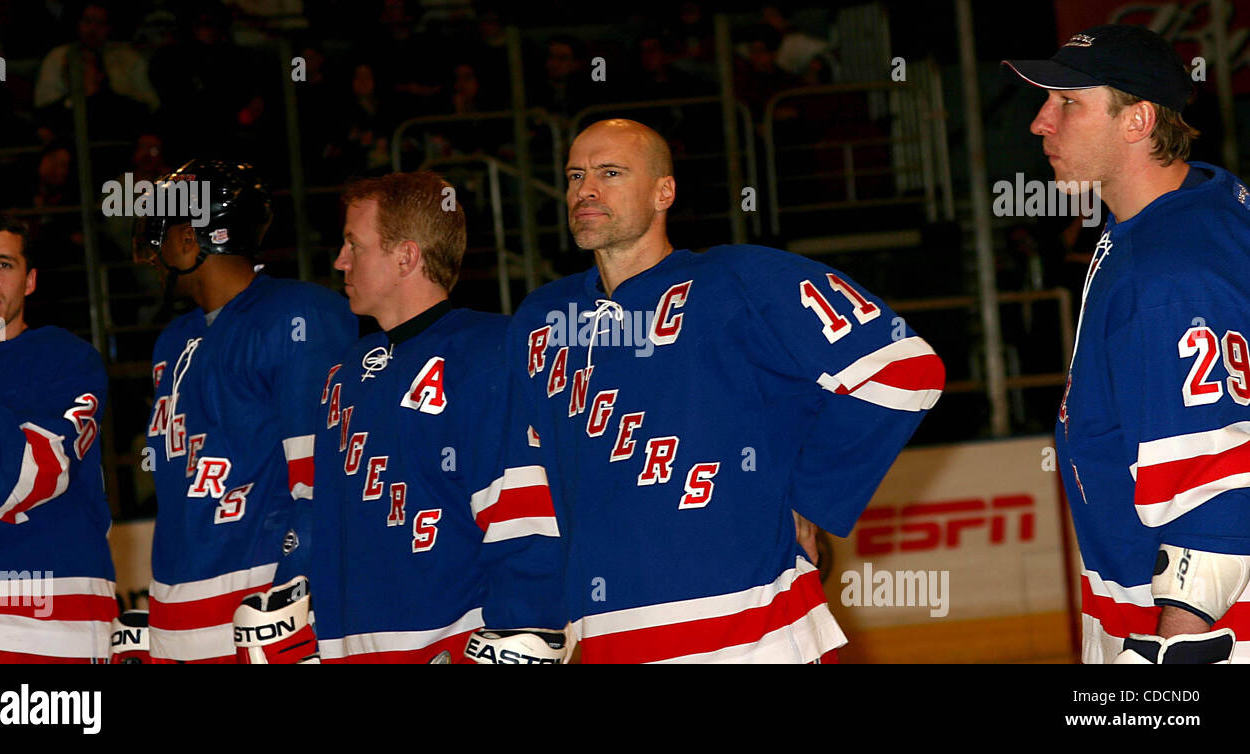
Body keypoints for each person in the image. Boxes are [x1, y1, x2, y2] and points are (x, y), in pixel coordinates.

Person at [501, 119, 944, 663]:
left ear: (664, 191)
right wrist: (525, 615)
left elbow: (905, 368)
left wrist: (806, 498)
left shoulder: (740, 280)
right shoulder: (542, 319)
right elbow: (529, 477)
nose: (585, 190)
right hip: (602, 637)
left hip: (756, 634)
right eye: (575, 175)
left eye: (610, 173)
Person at [1004, 24, 1250, 664]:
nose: (1040, 123)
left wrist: (1182, 632)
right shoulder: (1204, 203)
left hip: (1197, 621)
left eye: (1067, 103)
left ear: (1138, 120)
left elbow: (1219, 470)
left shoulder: (1169, 272)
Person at [308, 172, 566, 664]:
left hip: (452, 648)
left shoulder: (489, 353)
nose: (340, 261)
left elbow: (525, 517)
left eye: (353, 245)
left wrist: (524, 630)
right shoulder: (341, 374)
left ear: (406, 257)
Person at [132, 159, 356, 663]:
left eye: (161, 236)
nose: (153, 254)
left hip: (261, 609)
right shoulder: (173, 341)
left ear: (189, 240)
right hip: (177, 611)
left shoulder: (300, 316)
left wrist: (290, 593)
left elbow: (323, 483)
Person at [0, 211, 117, 663]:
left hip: (41, 624)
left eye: (4, 264)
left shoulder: (65, 361)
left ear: (30, 281)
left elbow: (14, 481)